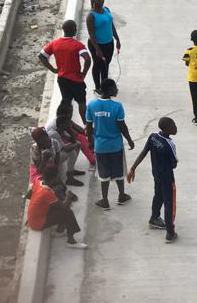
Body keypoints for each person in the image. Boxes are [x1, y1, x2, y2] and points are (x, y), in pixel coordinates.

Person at [127, 117, 180, 242]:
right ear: (166, 129)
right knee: (169, 203)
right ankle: (170, 232)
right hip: (167, 177)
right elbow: (174, 164)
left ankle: (154, 218)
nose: (175, 128)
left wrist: (133, 168)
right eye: (173, 126)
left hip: (156, 173)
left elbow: (144, 152)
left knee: (158, 195)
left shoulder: (153, 136)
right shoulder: (169, 144)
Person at [85, 78, 134, 209]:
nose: (116, 90)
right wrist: (129, 140)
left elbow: (88, 126)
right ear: (108, 90)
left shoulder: (91, 105)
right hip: (115, 146)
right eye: (114, 88)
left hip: (100, 146)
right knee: (119, 172)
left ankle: (105, 201)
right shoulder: (117, 106)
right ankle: (122, 195)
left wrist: (90, 142)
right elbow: (122, 126)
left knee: (103, 174)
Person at [39, 20, 91, 123]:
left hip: (62, 79)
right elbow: (87, 59)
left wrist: (53, 69)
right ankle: (86, 124)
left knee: (66, 102)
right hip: (76, 80)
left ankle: (65, 122)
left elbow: (41, 56)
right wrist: (83, 73)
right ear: (73, 30)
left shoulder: (55, 44)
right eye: (75, 28)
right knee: (81, 102)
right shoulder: (77, 45)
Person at [27, 165, 86, 248]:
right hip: (38, 223)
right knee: (68, 213)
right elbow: (64, 207)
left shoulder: (38, 182)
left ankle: (60, 230)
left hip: (33, 218)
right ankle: (71, 241)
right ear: (53, 178)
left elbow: (29, 194)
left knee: (57, 202)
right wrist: (69, 197)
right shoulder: (46, 193)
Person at [84, 0, 116, 90]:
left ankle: (104, 86)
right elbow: (91, 34)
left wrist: (117, 39)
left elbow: (111, 25)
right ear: (93, 2)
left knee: (106, 64)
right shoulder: (91, 16)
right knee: (99, 65)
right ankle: (99, 87)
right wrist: (97, 49)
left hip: (109, 42)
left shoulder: (106, 10)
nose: (101, 1)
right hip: (97, 45)